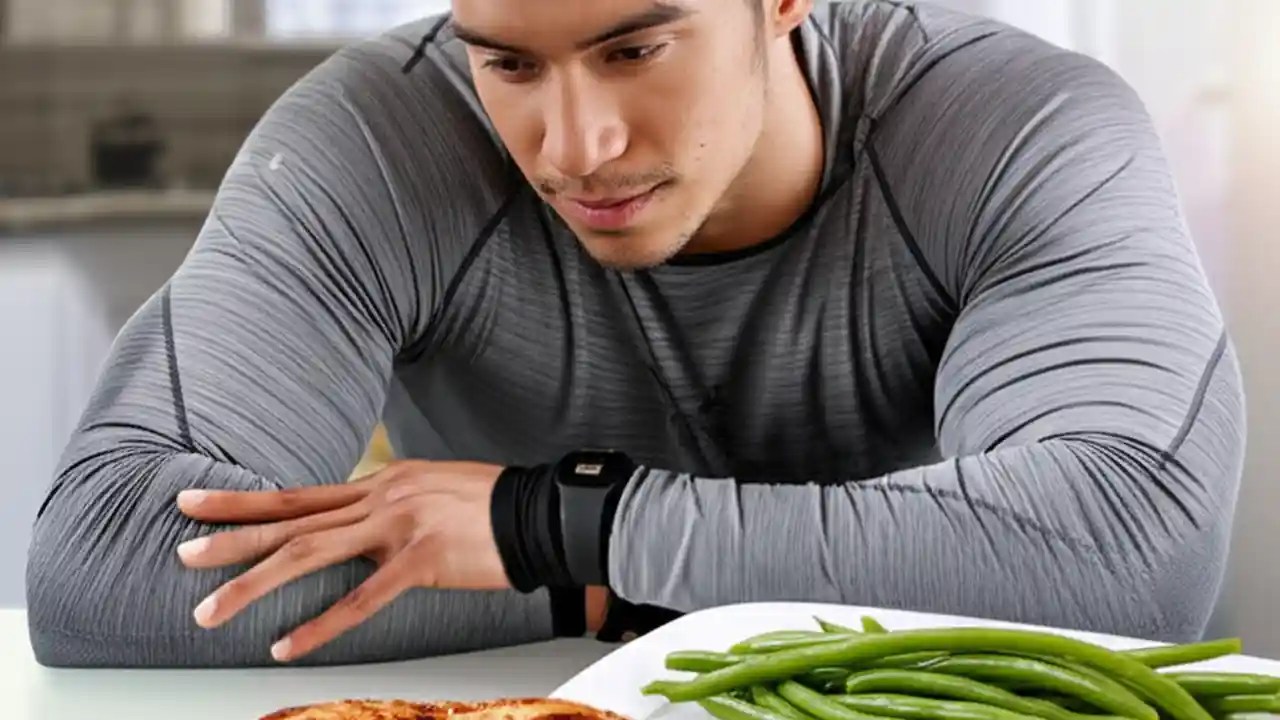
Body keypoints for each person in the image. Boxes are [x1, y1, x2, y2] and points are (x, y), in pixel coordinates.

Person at [25, 0, 1245, 669]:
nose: (574, 147)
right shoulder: (374, 142)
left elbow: (1128, 554)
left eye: (635, 48)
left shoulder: (1011, 125)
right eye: (506, 62)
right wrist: (616, 587)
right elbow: (100, 565)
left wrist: (547, 529)